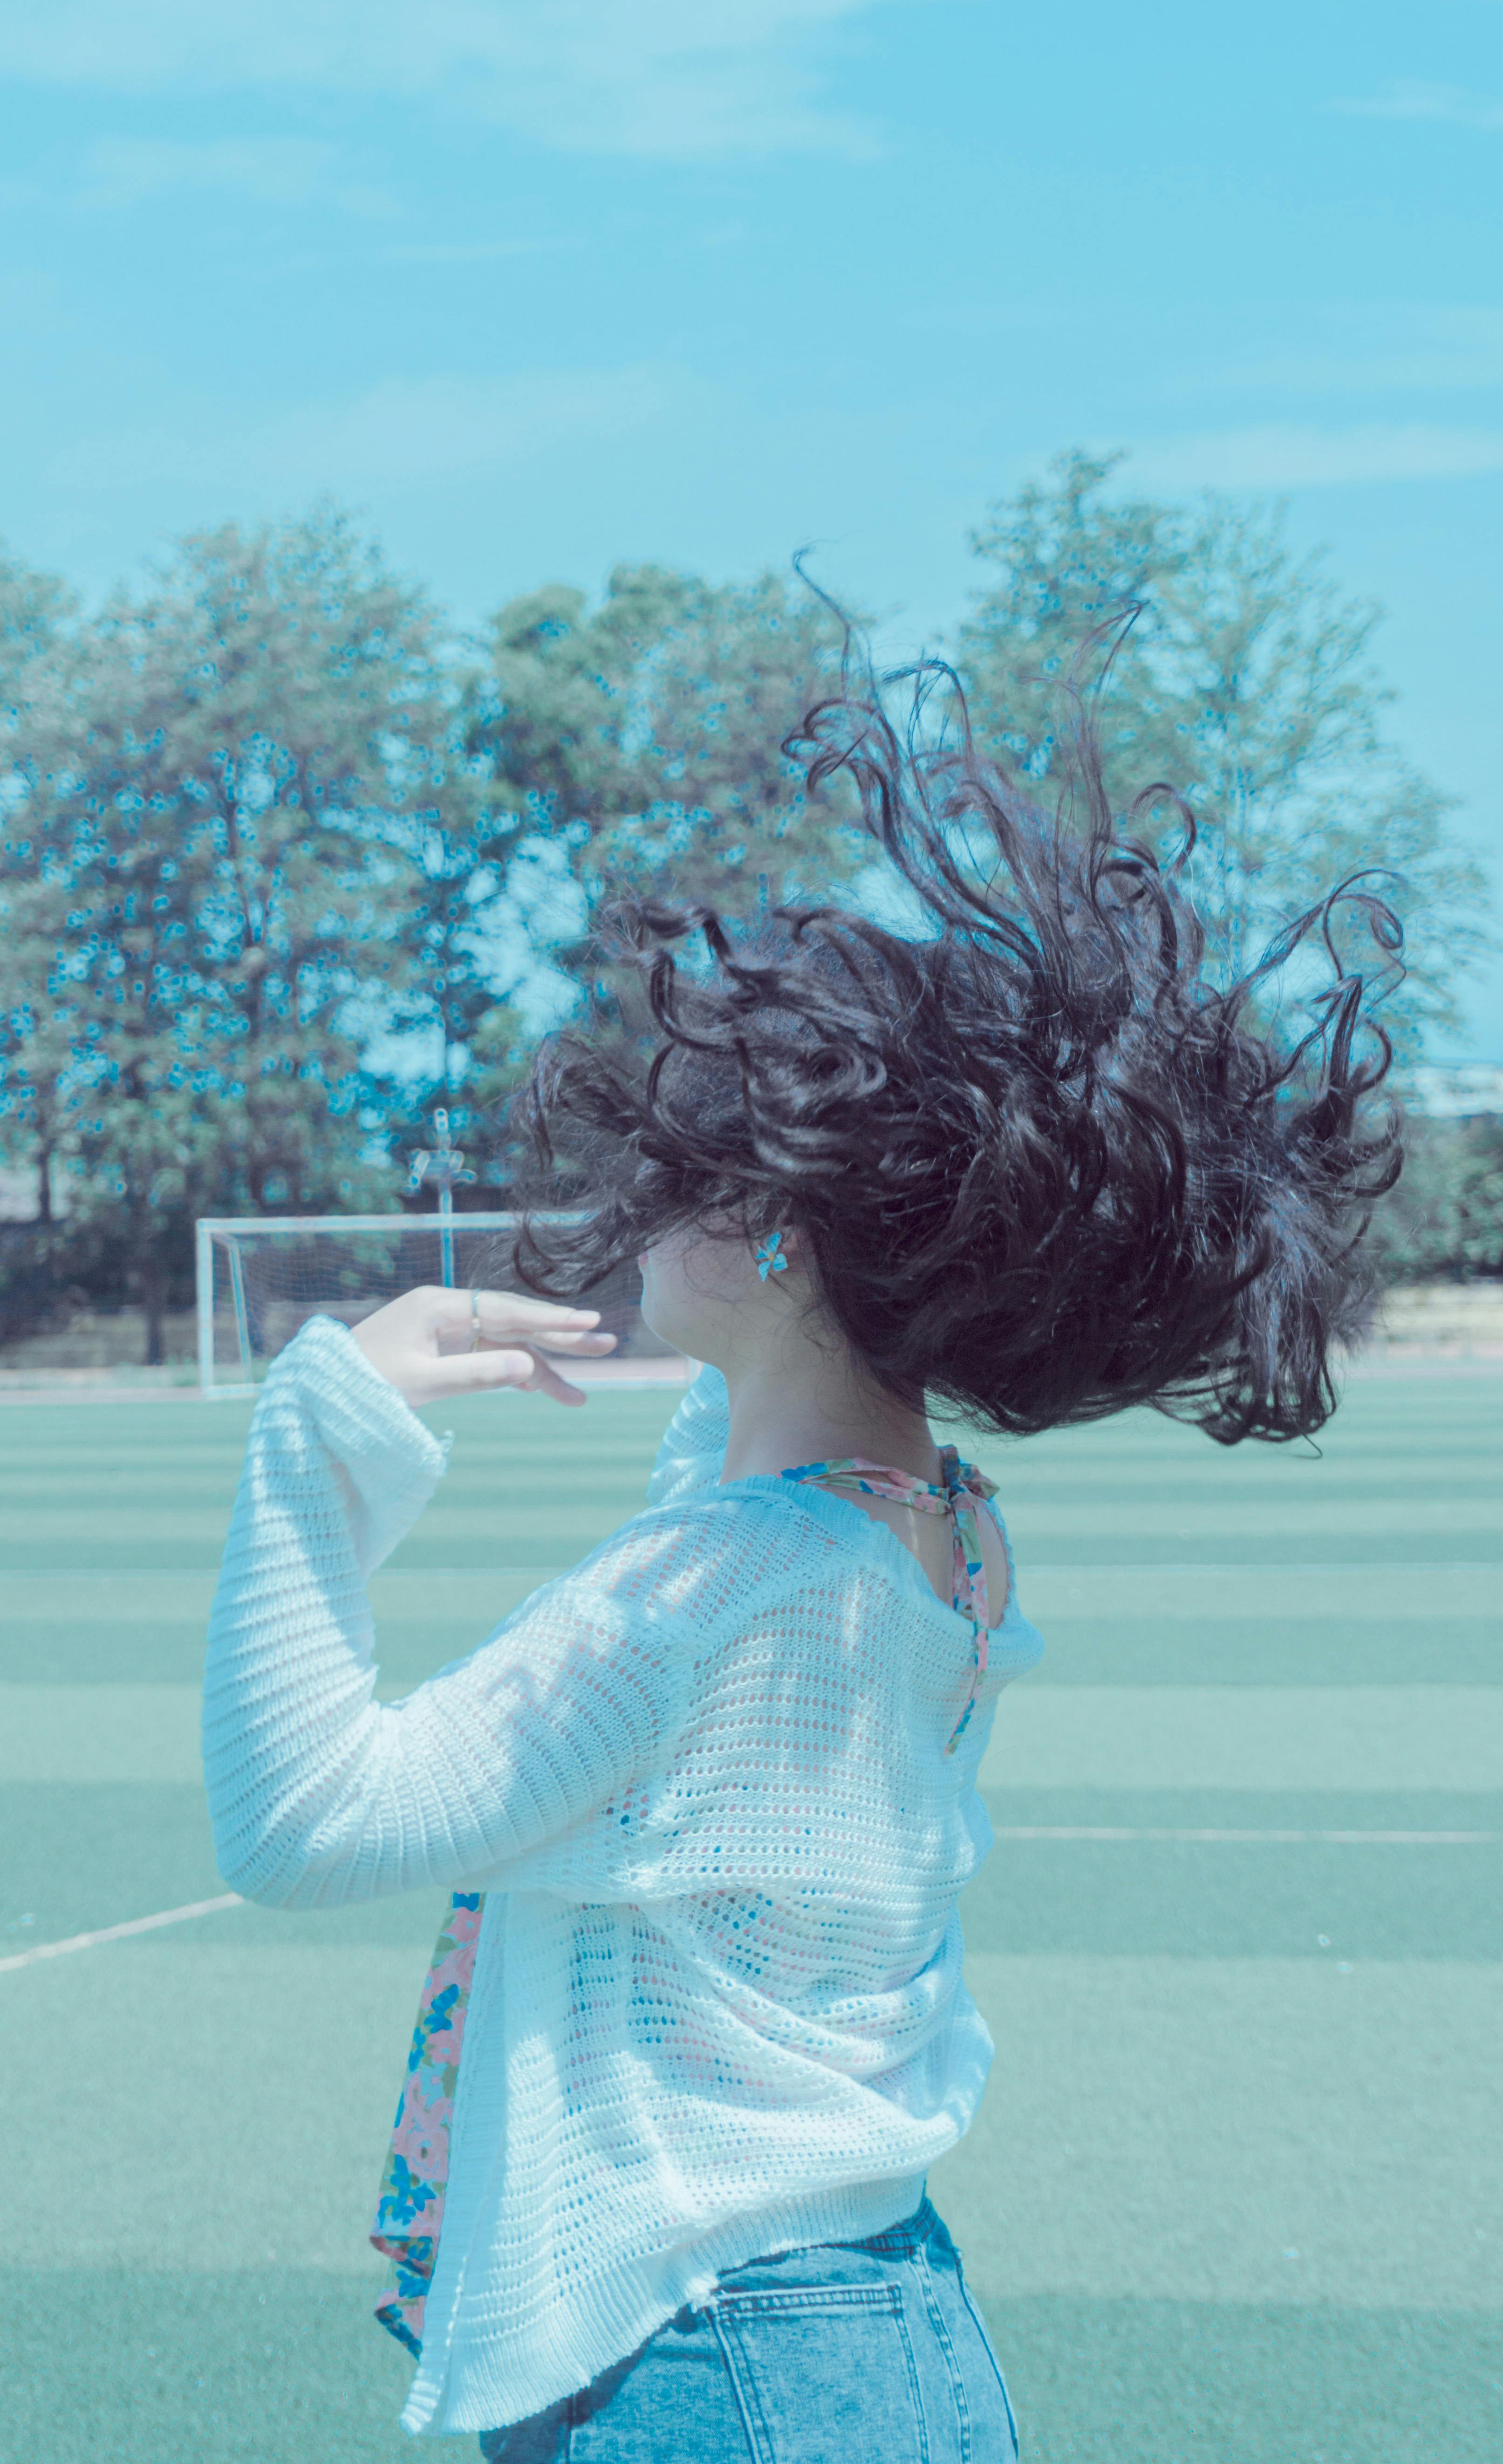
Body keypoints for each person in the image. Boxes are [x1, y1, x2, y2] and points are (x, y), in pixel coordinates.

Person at [201, 658, 1400, 2457]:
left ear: (783, 1230)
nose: (639, 1205)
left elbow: (301, 1822)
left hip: (710, 2371)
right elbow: (772, 1452)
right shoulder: (939, 1535)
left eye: (691, 1164)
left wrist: (316, 1436)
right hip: (887, 2324)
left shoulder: (718, 1598)